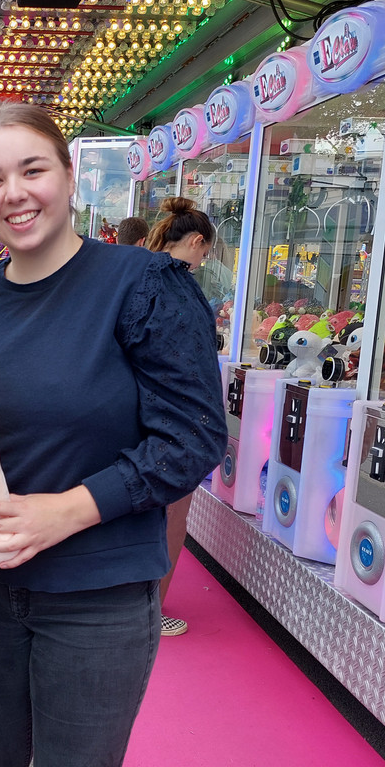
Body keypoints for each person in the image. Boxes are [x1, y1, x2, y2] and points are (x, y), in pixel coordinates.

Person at [0, 103, 226, 767]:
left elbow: (193, 437)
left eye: (32, 169)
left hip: (100, 596)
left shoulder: (144, 284)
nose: (14, 193)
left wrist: (67, 509)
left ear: (68, 175)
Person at [143, 196, 221, 637]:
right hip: (176, 424)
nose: (203, 261)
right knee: (173, 519)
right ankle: (153, 610)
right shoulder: (180, 287)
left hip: (141, 418)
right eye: (205, 253)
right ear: (194, 241)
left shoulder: (139, 275)